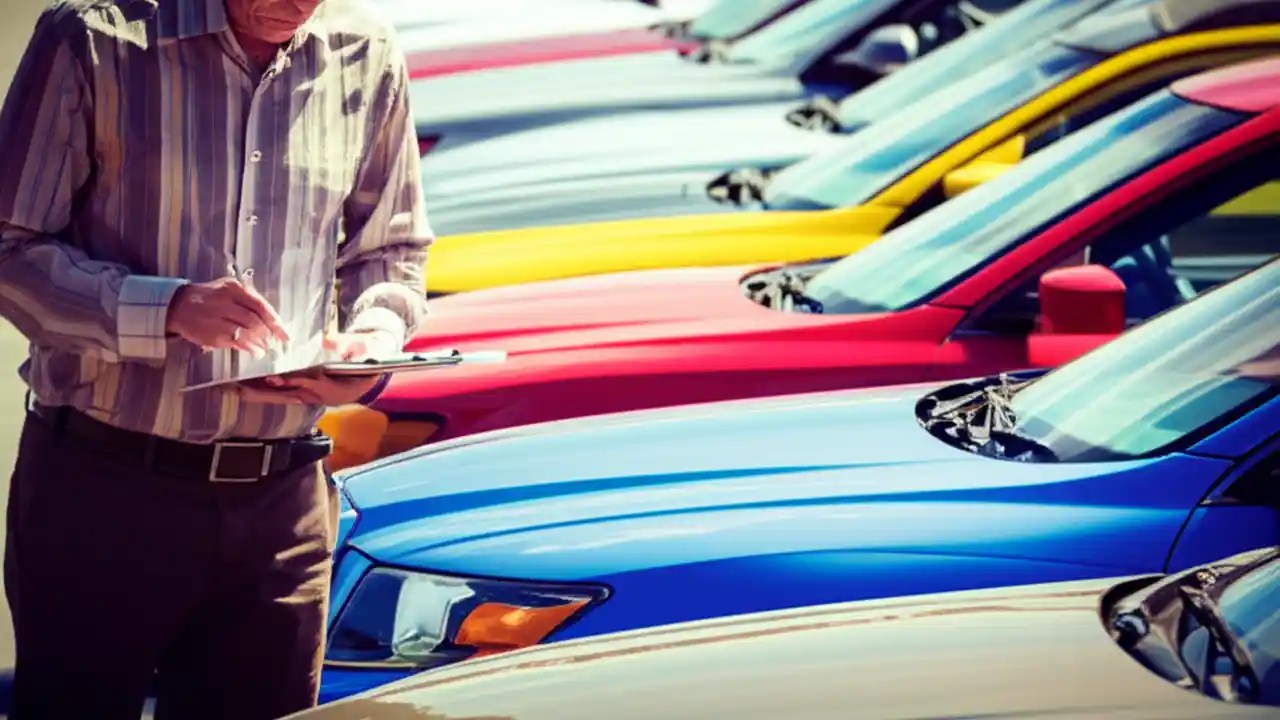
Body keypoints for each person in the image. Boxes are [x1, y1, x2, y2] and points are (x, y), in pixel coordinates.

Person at [0, 0, 431, 716]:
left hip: (284, 507)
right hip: (105, 494)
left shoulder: (369, 52)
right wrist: (164, 308)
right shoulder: (93, 41)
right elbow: (10, 244)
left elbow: (391, 251)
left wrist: (371, 341)